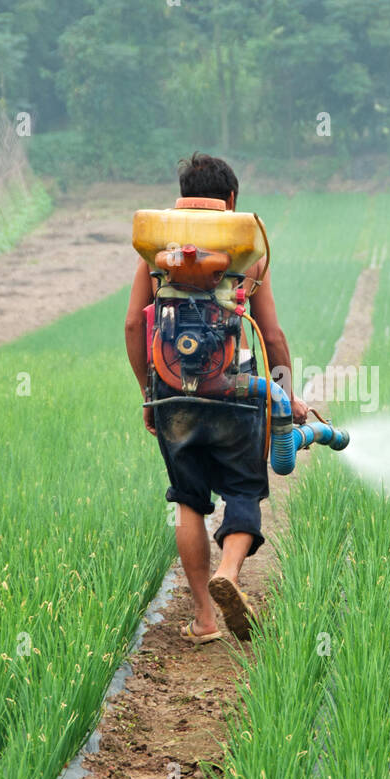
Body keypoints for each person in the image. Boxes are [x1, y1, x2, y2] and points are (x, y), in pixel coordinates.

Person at [124, 153, 308, 644]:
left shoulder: (156, 247)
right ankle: (229, 569)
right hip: (235, 387)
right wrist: (287, 395)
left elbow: (130, 324)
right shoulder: (249, 250)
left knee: (188, 501)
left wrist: (150, 395)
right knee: (243, 491)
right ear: (230, 200)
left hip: (171, 391)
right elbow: (271, 334)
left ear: (182, 194)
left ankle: (204, 617)